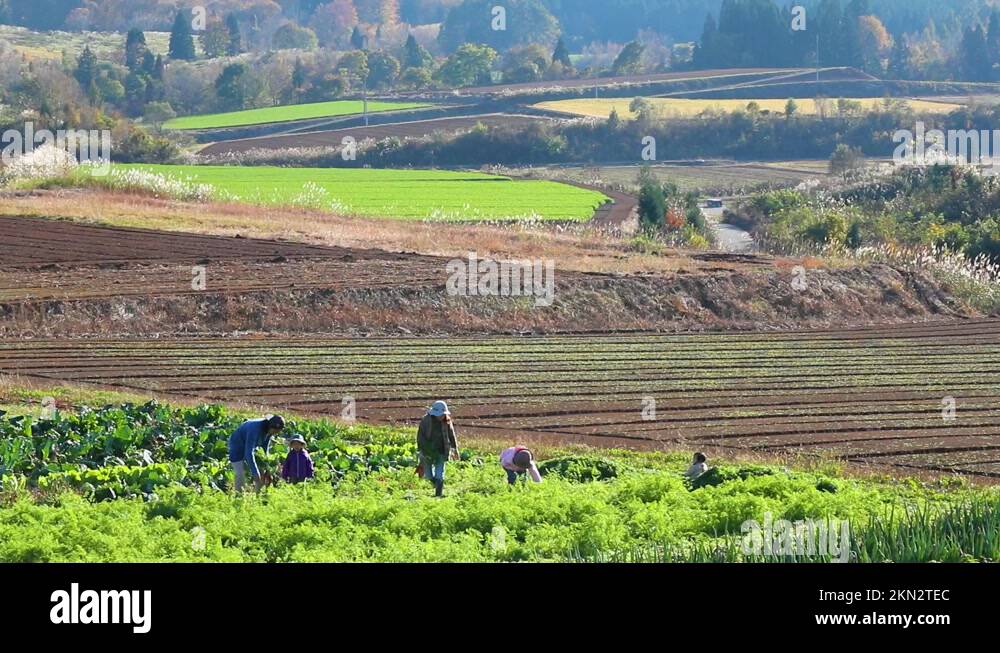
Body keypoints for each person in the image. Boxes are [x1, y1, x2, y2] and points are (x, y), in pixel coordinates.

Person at [228, 415, 285, 493]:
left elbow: (265, 450)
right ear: (270, 426)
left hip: (253, 447)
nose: (275, 434)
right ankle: (239, 497)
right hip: (237, 445)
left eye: (277, 432)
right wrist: (255, 473)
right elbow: (249, 452)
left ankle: (259, 496)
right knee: (240, 473)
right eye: (275, 431)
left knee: (262, 473)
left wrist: (267, 469)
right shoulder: (254, 429)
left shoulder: (269, 431)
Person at [416, 400, 460, 497]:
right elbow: (420, 437)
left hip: (442, 451)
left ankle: (438, 495)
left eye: (442, 415)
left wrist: (455, 449)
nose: (441, 417)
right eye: (439, 415)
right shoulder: (426, 421)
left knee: (440, 475)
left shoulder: (447, 421)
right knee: (428, 476)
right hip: (428, 451)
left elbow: (451, 435)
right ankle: (435, 486)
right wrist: (422, 450)